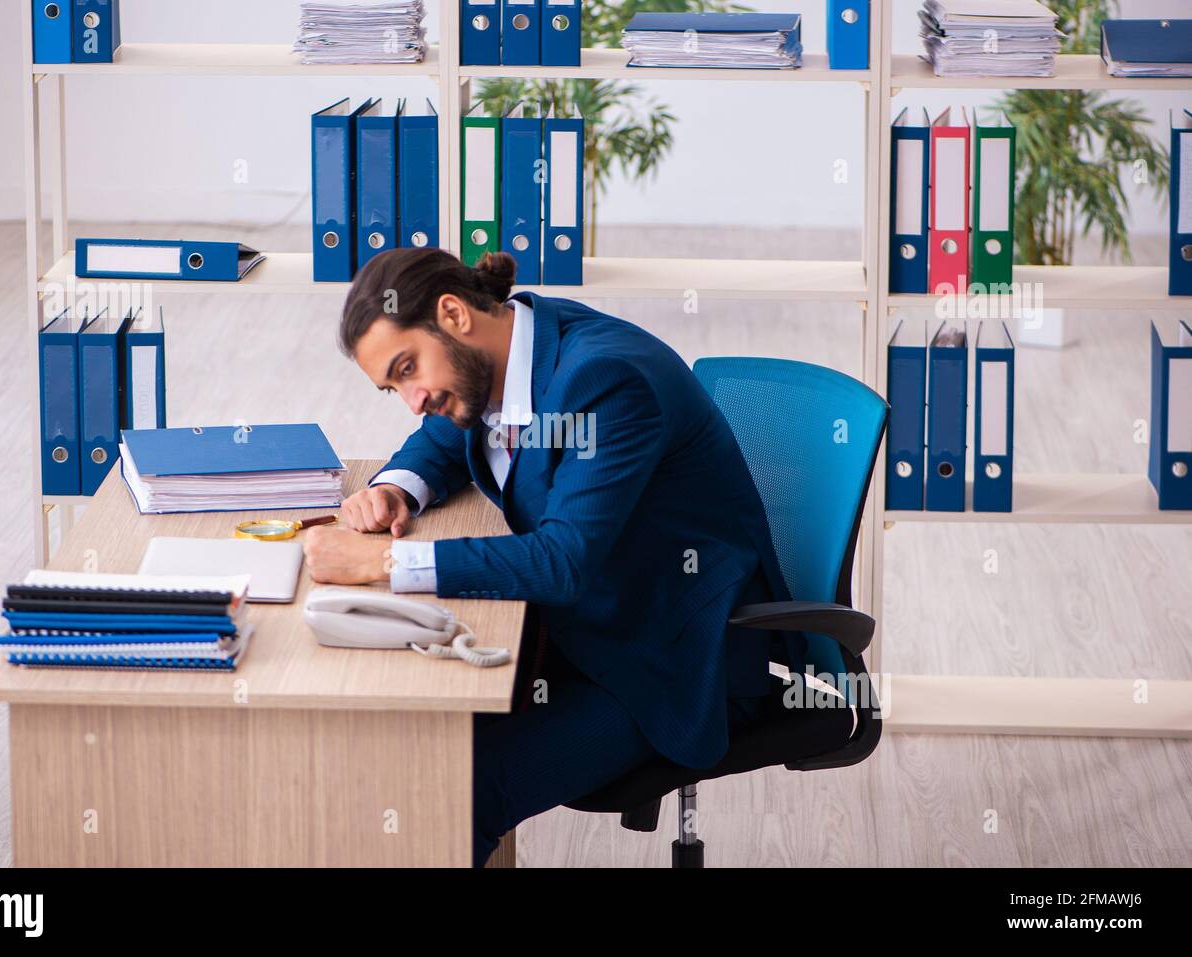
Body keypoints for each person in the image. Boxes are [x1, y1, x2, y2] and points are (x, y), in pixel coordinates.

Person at [304, 246, 831, 867]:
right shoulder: (512, 350)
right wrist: (397, 487)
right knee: (409, 743)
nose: (412, 399)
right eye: (393, 386)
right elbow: (445, 435)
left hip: (666, 661)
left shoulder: (604, 380)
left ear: (453, 314)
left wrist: (381, 566)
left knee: (454, 791)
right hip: (578, 631)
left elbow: (564, 561)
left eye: (407, 369)